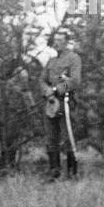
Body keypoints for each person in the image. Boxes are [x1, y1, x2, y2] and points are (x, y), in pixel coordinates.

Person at [41, 29, 82, 180]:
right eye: (55, 40)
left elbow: (75, 81)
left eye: (60, 40)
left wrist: (57, 89)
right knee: (51, 137)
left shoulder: (74, 58)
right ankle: (54, 171)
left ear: (66, 42)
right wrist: (47, 91)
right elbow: (42, 80)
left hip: (66, 102)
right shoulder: (51, 61)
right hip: (51, 103)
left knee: (67, 136)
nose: (56, 42)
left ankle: (72, 172)